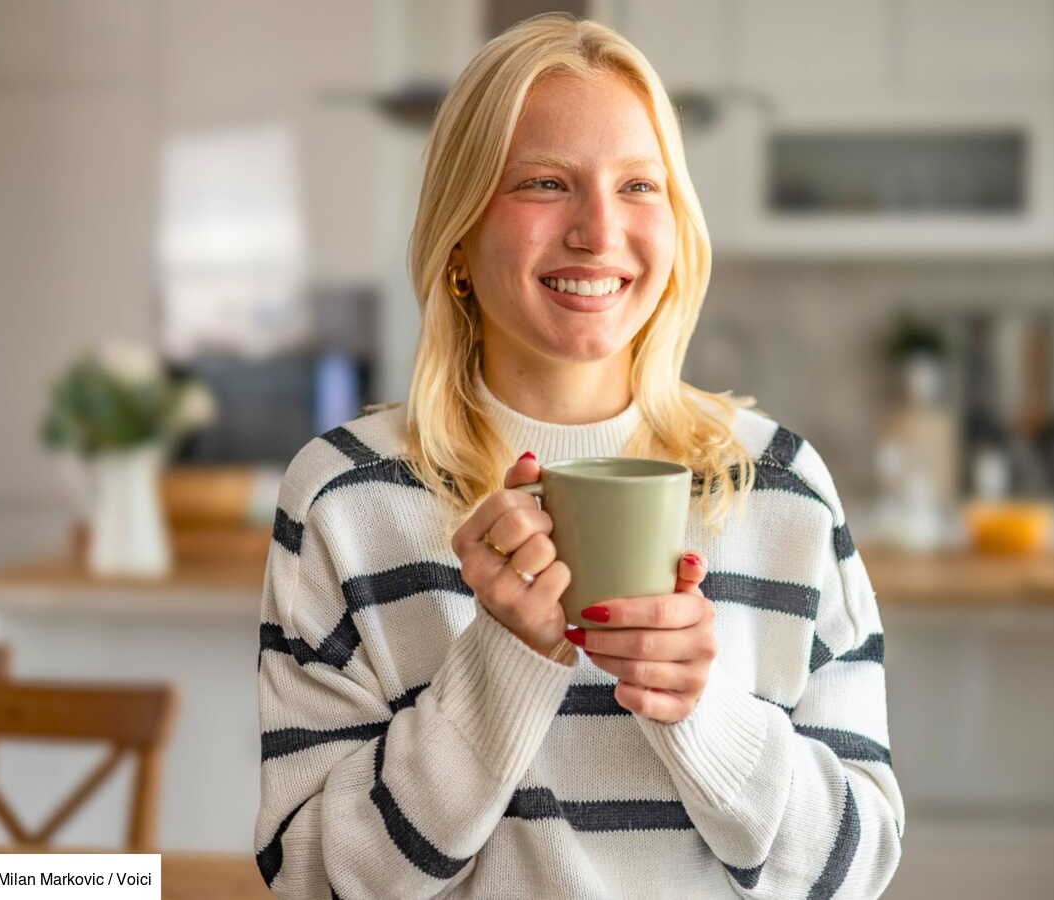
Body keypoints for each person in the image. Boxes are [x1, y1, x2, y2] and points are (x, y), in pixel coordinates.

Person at [254, 12, 904, 899]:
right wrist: (503, 661)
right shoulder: (346, 498)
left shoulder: (784, 488)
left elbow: (857, 869)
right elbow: (312, 879)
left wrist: (701, 713)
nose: (599, 231)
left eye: (640, 185)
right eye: (545, 183)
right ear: (458, 236)